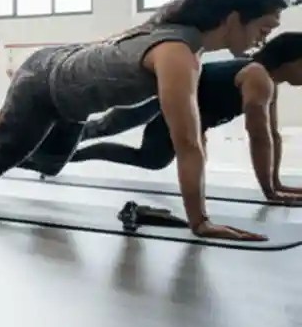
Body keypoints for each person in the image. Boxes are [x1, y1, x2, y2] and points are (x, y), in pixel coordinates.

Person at [0, 0, 287, 242]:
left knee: (53, 164)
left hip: (70, 96)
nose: (262, 41)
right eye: (263, 29)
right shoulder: (177, 53)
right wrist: (200, 221)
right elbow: (187, 144)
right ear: (234, 18)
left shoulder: (183, 37)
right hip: (43, 81)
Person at [69, 33, 302, 203]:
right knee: (103, 127)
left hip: (176, 111)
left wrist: (276, 184)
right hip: (157, 97)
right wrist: (270, 191)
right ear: (292, 60)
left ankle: (66, 155)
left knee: (151, 159)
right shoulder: (257, 76)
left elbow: (272, 135)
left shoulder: (268, 83)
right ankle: (50, 145)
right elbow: (259, 136)